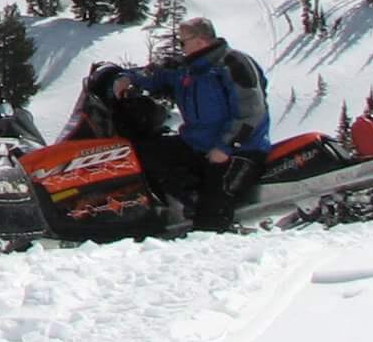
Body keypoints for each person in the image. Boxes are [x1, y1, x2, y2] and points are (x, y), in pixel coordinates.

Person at [113, 18, 269, 232]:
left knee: (210, 219)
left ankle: (217, 237)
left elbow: (251, 112)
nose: (180, 47)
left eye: (183, 41)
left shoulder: (233, 64)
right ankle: (174, 208)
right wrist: (128, 78)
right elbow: (157, 76)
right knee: (141, 154)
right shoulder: (189, 68)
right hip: (197, 143)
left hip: (238, 150)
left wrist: (225, 147)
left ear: (201, 41)